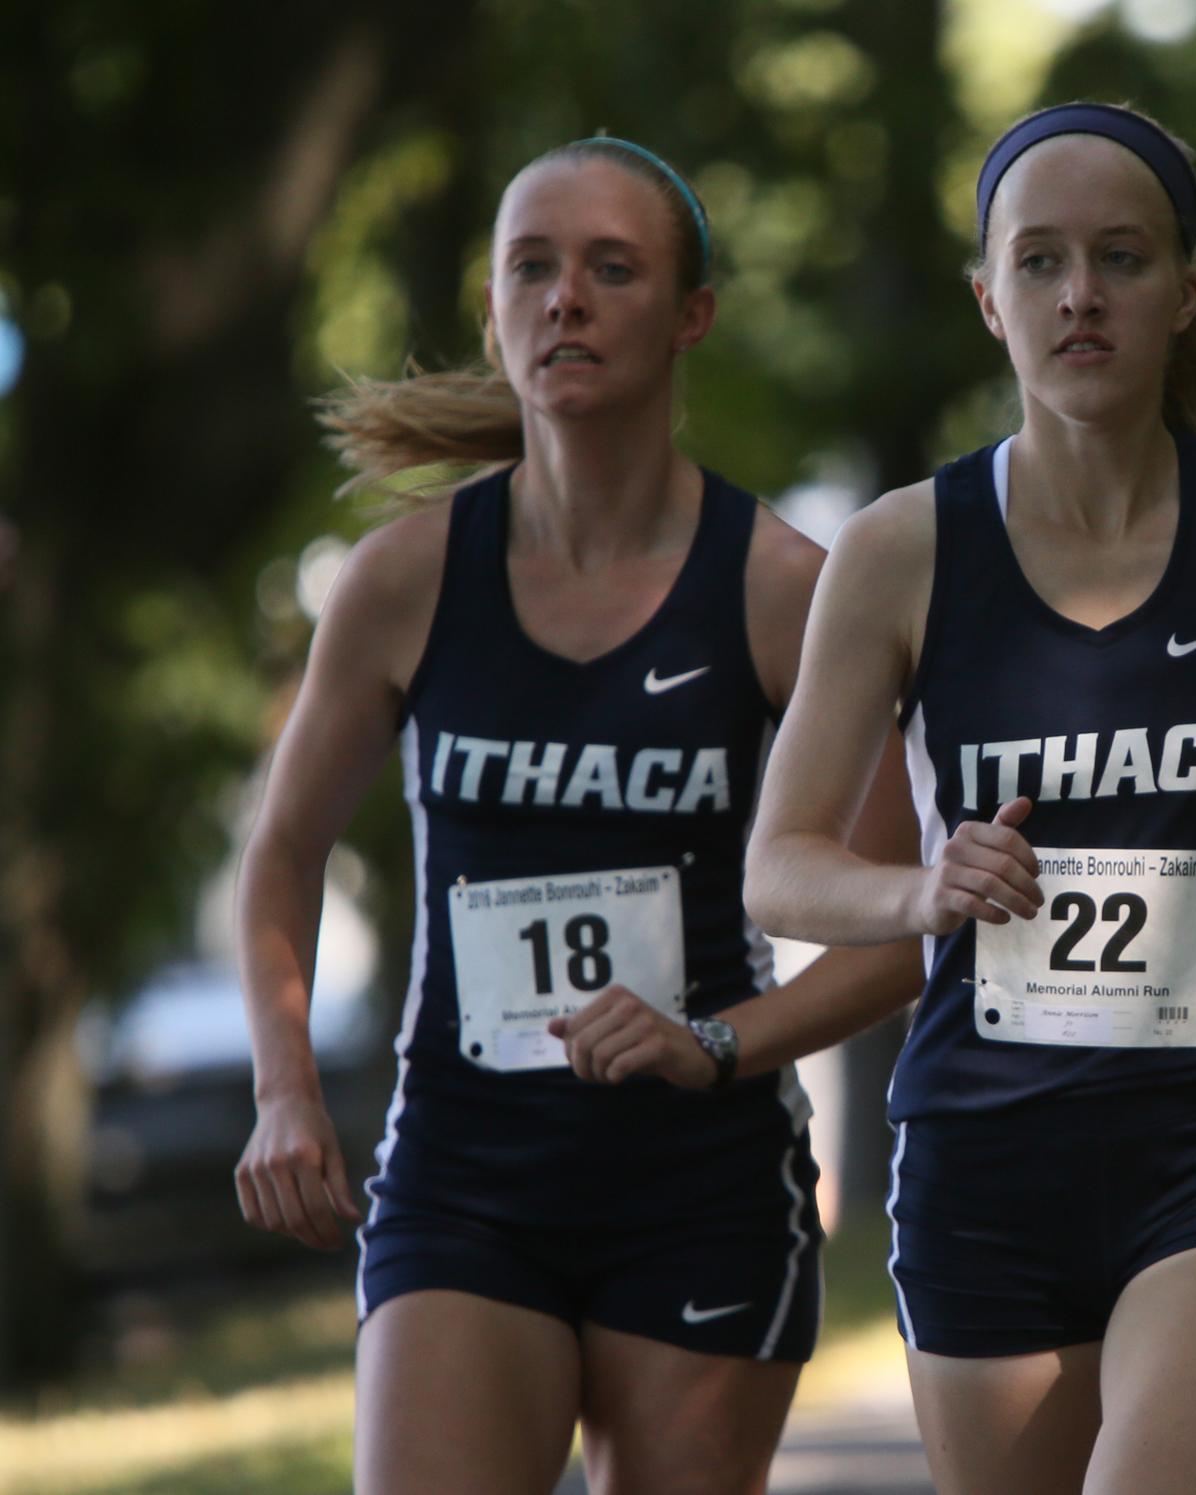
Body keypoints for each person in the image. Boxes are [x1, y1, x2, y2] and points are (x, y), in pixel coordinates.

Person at [742, 103, 1196, 1495]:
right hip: (978, 1155)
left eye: (1124, 259)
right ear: (988, 296)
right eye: (1042, 261)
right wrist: (920, 888)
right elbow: (779, 867)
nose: (1081, 295)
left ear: (1187, 295)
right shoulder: (900, 550)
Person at [231, 136, 919, 1495]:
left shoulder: (784, 586)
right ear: (493, 309)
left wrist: (715, 1042)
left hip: (702, 1184)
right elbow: (282, 851)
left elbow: (900, 919)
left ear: (691, 313)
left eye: (614, 268)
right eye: (530, 268)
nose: (567, 300)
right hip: (463, 1173)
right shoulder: (405, 577)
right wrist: (284, 1087)